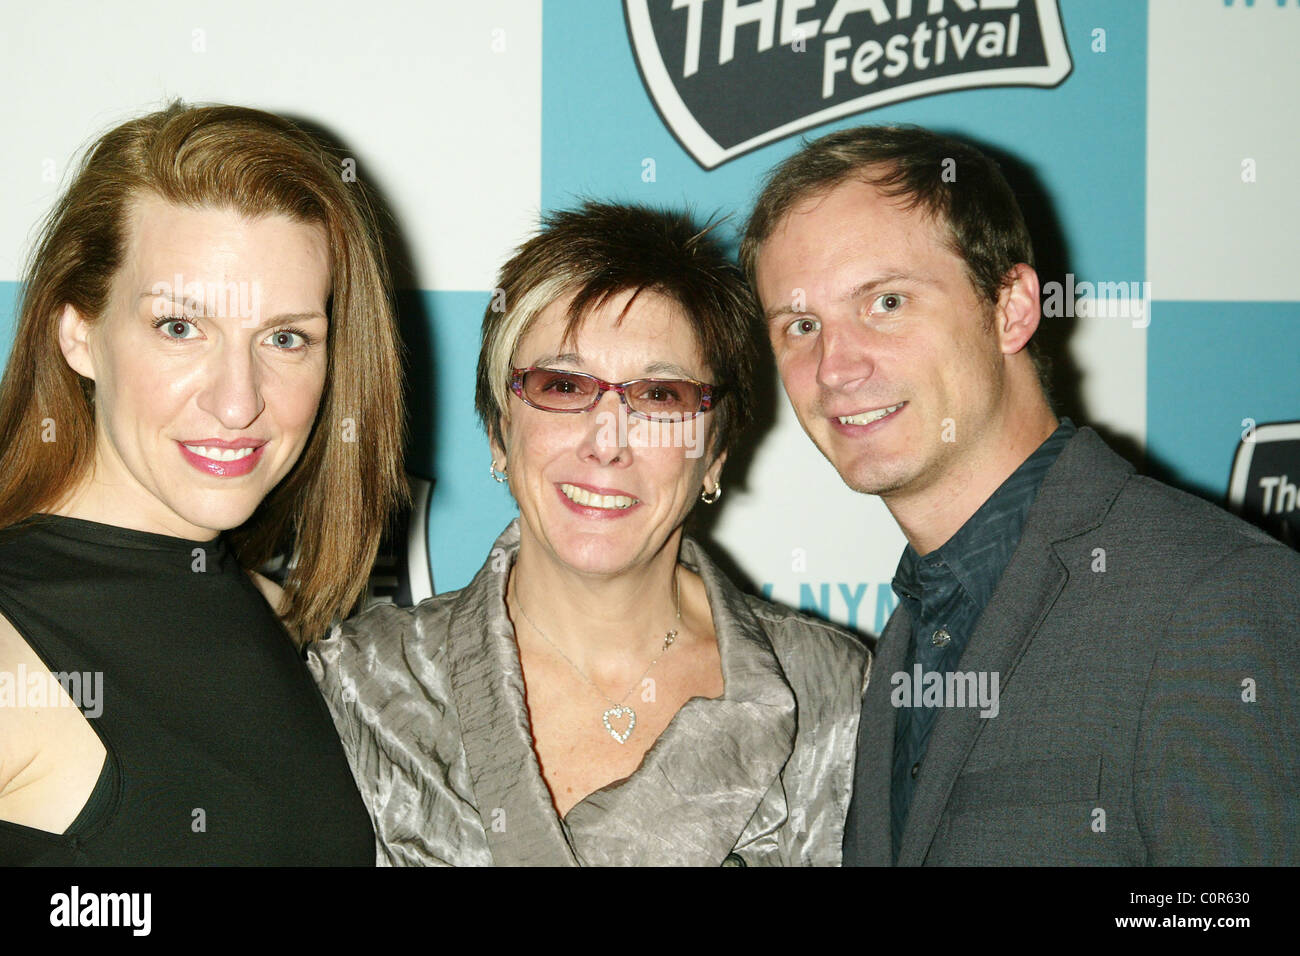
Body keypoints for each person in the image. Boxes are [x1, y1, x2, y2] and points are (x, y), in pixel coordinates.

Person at [742, 124, 1300, 866]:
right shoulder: (905, 638)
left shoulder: (1213, 596)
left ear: (1011, 308)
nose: (835, 366)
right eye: (802, 324)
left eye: (887, 303)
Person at [308, 201, 869, 866]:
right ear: (498, 432)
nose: (607, 444)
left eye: (661, 397)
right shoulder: (358, 683)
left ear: (715, 451)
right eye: (563, 385)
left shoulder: (829, 693)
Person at [0, 103, 407, 864]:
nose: (237, 401)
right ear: (77, 334)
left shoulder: (285, 622)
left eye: (285, 338)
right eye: (180, 327)